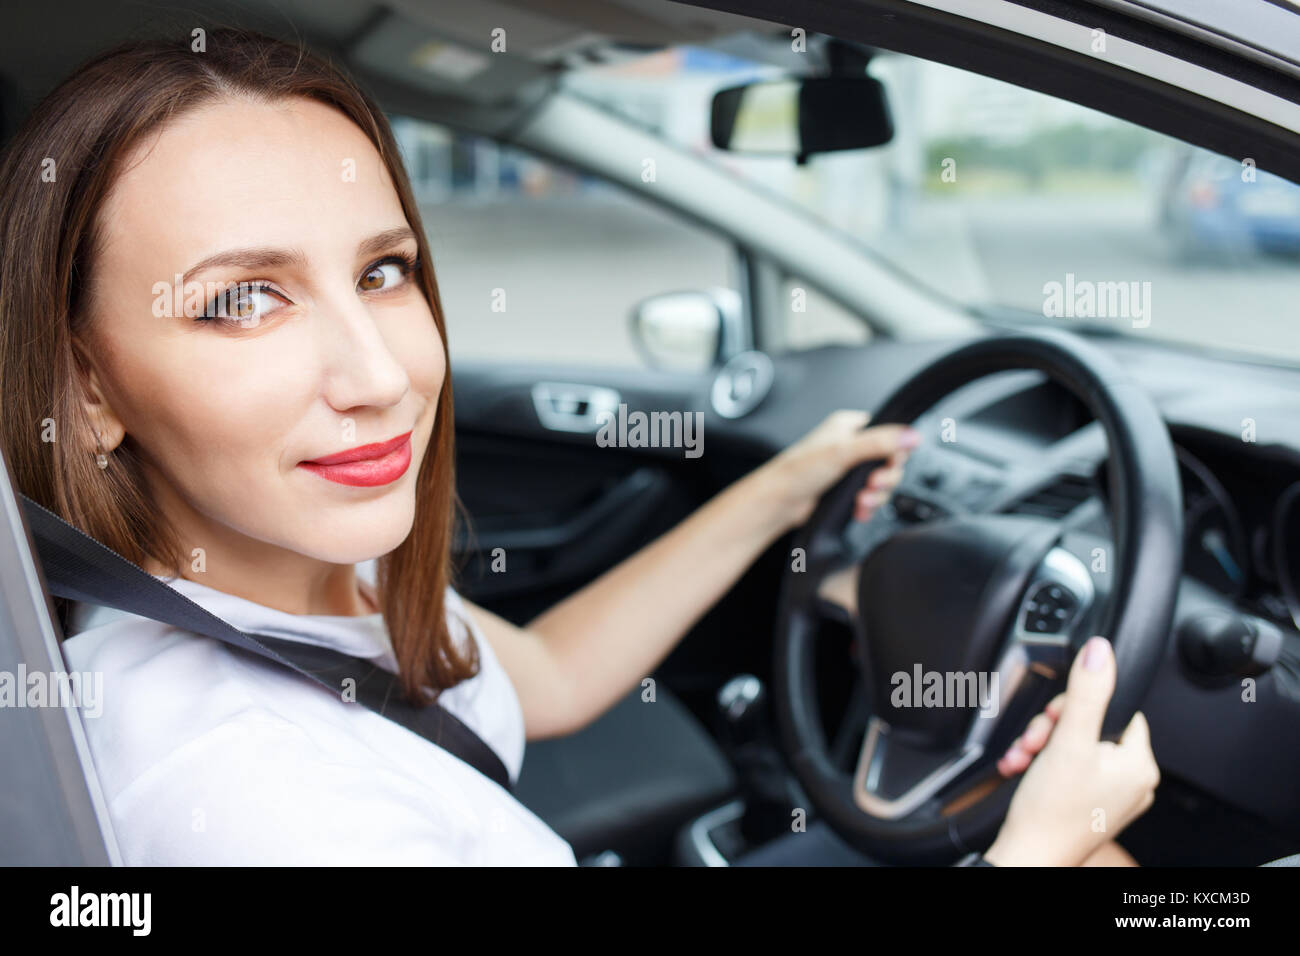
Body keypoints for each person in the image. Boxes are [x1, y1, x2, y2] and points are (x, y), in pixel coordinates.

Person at [0, 26, 1158, 865]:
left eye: (381, 271)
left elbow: (543, 675)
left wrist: (781, 491)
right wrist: (1038, 851)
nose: (381, 375)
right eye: (243, 300)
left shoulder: (284, 584)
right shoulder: (247, 794)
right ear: (90, 385)